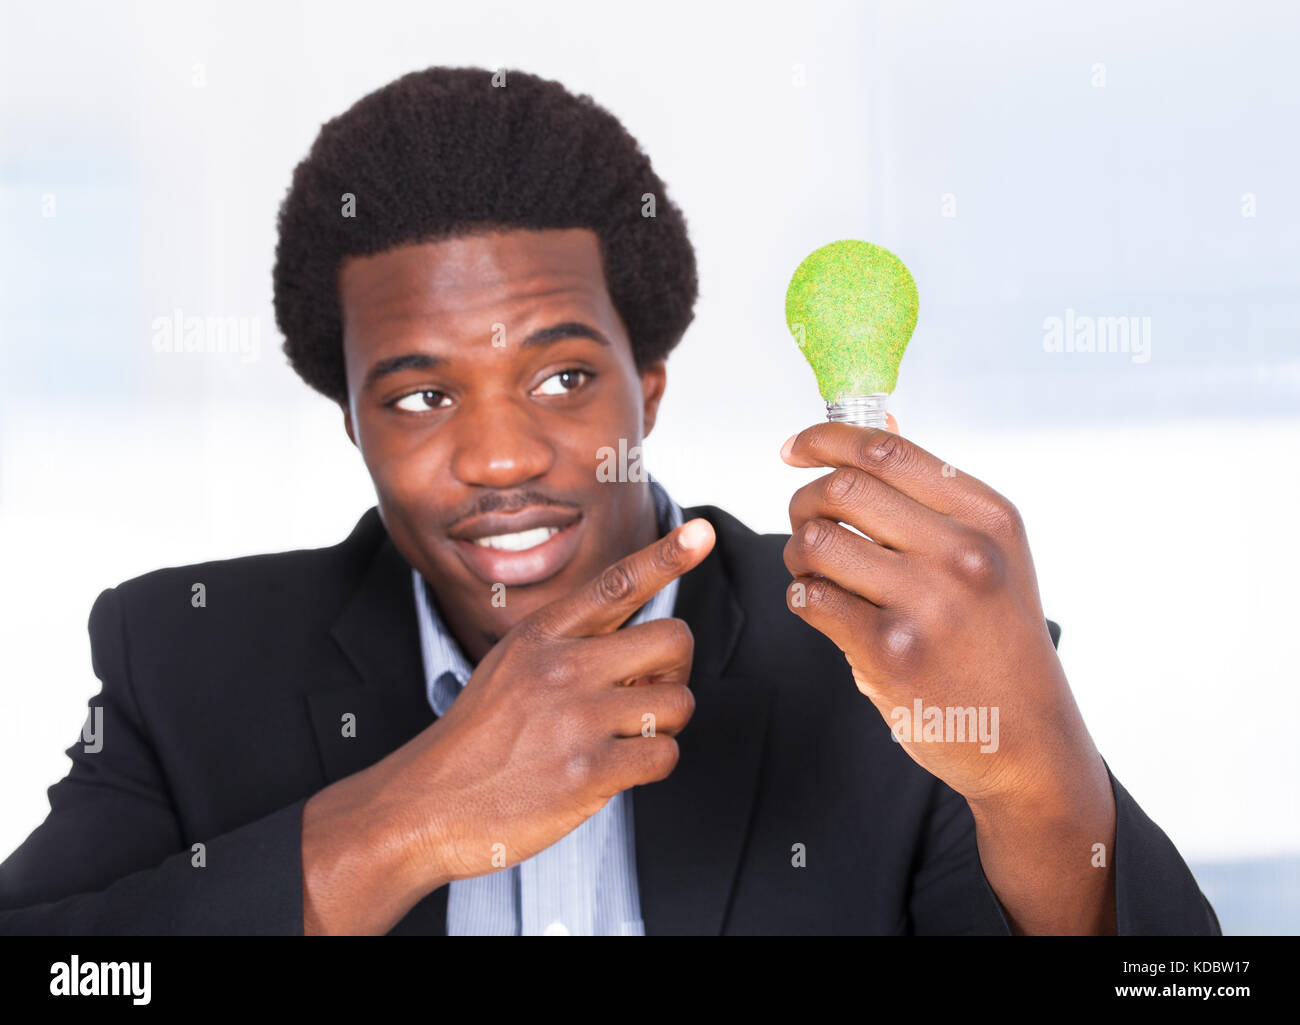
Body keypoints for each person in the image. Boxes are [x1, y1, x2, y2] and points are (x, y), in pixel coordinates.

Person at [0, 66, 1219, 935]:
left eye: (565, 375)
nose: (498, 455)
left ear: (649, 384)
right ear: (351, 419)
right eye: (421, 397)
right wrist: (407, 817)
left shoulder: (884, 658)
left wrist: (1040, 776)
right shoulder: (186, 657)